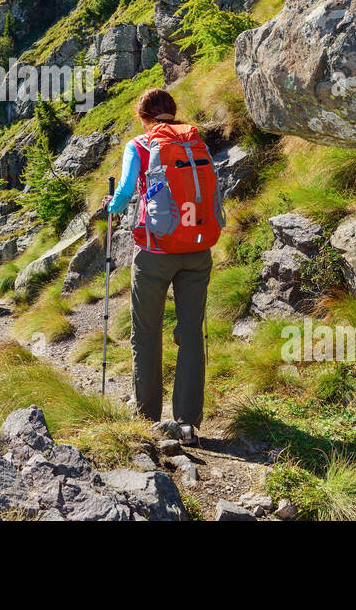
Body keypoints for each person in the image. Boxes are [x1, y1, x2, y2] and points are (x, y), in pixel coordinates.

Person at [102, 87, 217, 445]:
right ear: (173, 112)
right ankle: (187, 422)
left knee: (147, 331)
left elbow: (122, 197)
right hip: (198, 250)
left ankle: (147, 416)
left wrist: (110, 206)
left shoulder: (139, 145)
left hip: (154, 252)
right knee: (192, 333)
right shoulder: (195, 140)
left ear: (143, 117)